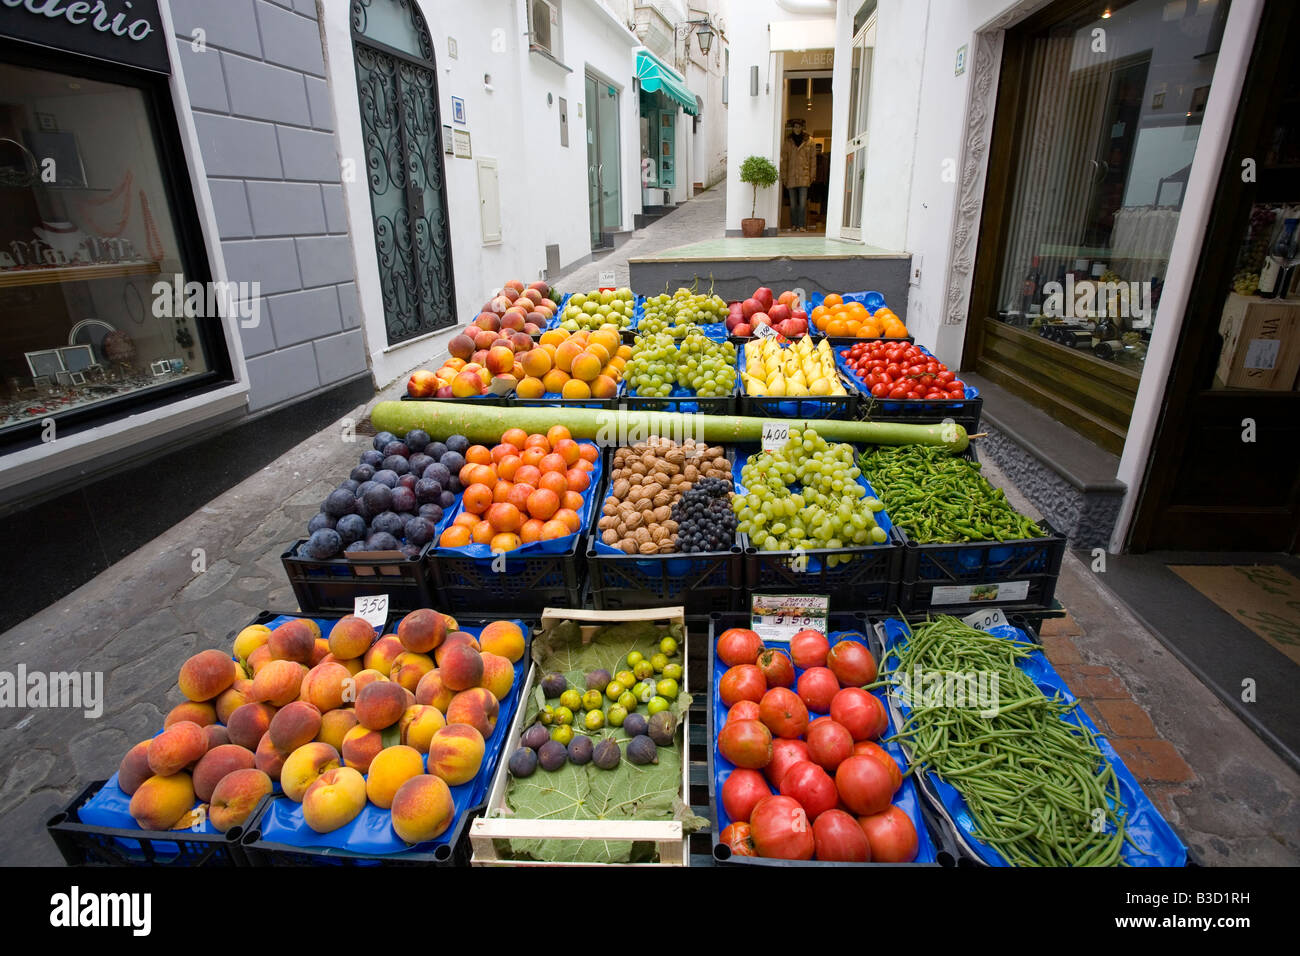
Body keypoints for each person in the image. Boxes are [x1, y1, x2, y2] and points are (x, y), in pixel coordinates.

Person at [780, 119, 816, 232]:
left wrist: (812, 175)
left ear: (802, 128)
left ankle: (802, 225)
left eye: (799, 127)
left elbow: (813, 159)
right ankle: (794, 225)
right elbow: (784, 160)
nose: (797, 129)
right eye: (795, 127)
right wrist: (784, 176)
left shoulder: (810, 141)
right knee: (793, 204)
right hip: (791, 176)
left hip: (804, 176)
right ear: (793, 128)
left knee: (802, 203)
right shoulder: (788, 142)